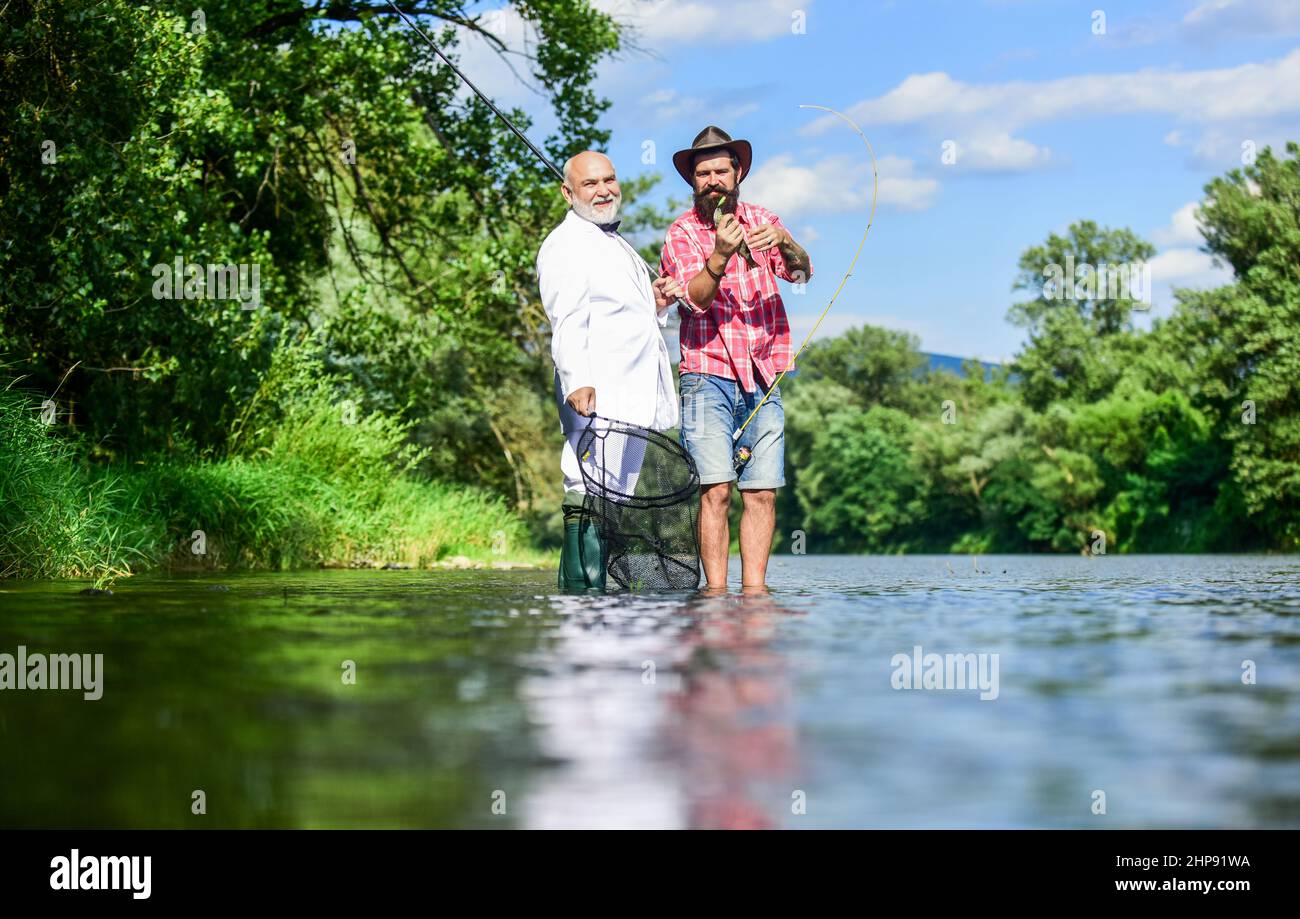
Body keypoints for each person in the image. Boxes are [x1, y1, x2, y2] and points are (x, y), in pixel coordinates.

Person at [660, 126, 814, 590]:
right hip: (707, 375)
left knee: (762, 492)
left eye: (720, 171)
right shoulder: (682, 233)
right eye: (702, 173)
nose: (712, 181)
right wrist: (721, 255)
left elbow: (803, 273)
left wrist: (786, 242)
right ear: (692, 181)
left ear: (738, 172)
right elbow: (694, 300)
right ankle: (715, 593)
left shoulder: (765, 218)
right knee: (716, 490)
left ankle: (755, 594)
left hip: (764, 376)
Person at [536, 151, 685, 590]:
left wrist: (657, 302)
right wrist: (577, 379)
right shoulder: (564, 244)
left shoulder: (616, 244)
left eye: (610, 180)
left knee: (616, 492)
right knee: (588, 483)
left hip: (635, 394)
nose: (604, 191)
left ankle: (599, 597)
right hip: (599, 391)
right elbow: (565, 317)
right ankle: (582, 594)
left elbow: (625, 313)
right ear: (568, 192)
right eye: (590, 184)